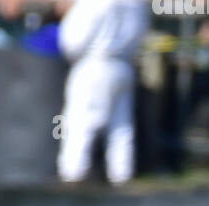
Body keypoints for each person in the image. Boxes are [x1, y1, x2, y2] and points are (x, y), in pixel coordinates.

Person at [55, 0, 149, 185]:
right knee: (121, 127)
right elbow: (140, 34)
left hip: (93, 63)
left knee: (80, 124)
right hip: (123, 64)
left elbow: (72, 41)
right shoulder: (137, 3)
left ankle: (72, 176)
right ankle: (121, 175)